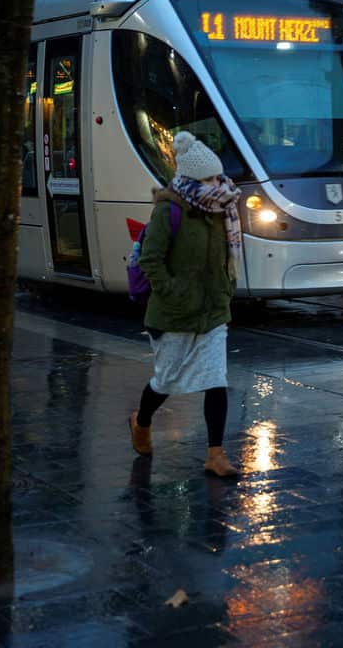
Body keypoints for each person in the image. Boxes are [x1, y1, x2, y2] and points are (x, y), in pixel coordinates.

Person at [128, 131, 243, 478]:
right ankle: (141, 421)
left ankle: (215, 455)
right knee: (165, 381)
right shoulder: (169, 210)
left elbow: (226, 255)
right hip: (174, 313)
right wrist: (172, 291)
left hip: (213, 310)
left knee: (216, 380)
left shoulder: (222, 208)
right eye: (209, 179)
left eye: (218, 177)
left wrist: (226, 287)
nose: (217, 184)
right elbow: (150, 259)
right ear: (191, 180)